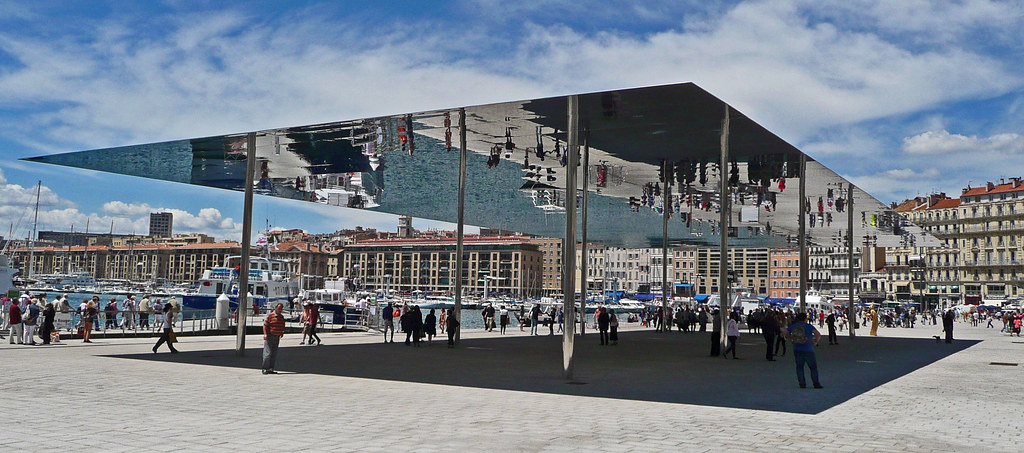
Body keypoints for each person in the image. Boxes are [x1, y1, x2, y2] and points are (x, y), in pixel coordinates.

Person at [786, 312, 823, 389]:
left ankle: (802, 384)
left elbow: (785, 332)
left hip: (797, 348)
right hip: (808, 349)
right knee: (813, 367)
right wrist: (815, 342)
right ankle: (816, 383)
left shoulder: (794, 326)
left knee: (799, 367)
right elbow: (818, 335)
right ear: (805, 318)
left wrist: (792, 339)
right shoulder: (808, 326)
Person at [261, 303, 286, 374]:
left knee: (274, 354)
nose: (280, 310)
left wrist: (282, 332)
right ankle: (265, 368)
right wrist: (265, 334)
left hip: (277, 336)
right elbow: (265, 325)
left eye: (281, 309)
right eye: (279, 308)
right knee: (268, 353)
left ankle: (270, 368)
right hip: (270, 336)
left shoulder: (281, 317)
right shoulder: (270, 316)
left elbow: (282, 325)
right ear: (275, 308)